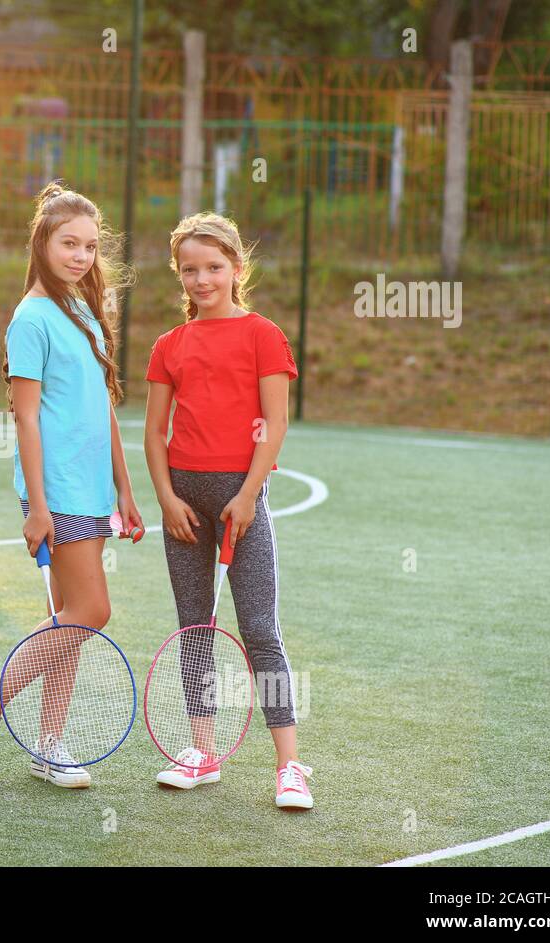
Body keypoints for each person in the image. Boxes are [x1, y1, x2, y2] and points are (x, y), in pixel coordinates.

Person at [0, 181, 143, 789]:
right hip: (55, 492)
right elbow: (26, 417)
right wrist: (37, 505)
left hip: (92, 491)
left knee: (70, 622)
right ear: (43, 243)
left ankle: (50, 743)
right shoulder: (30, 319)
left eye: (89, 246)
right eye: (69, 244)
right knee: (91, 611)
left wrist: (126, 490)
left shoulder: (82, 311)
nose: (81, 256)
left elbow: (102, 408)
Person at [142, 211, 315, 810]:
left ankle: (290, 766)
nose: (202, 279)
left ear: (237, 269)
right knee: (195, 626)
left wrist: (247, 494)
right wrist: (166, 499)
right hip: (184, 505)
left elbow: (277, 424)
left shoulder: (263, 335)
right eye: (190, 269)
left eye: (214, 267)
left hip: (242, 499)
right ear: (179, 274)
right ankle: (202, 753)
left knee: (260, 630)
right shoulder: (170, 345)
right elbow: (154, 433)